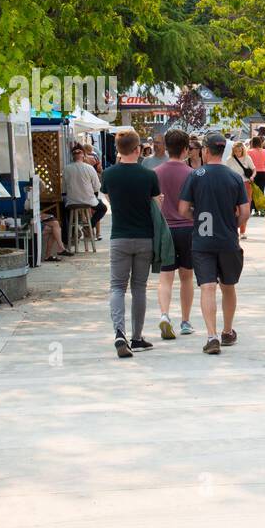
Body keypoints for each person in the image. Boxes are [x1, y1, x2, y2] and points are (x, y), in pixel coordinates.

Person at [178, 132, 250, 355]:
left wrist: (197, 219)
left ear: (206, 151)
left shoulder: (195, 175)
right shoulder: (234, 177)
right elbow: (245, 212)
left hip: (202, 241)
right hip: (228, 240)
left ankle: (212, 336)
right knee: (228, 287)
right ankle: (228, 331)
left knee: (207, 287)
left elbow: (182, 209)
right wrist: (233, 224)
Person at [101, 129, 162, 358]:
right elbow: (156, 206)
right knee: (139, 288)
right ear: (137, 149)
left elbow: (109, 200)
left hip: (119, 237)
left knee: (117, 287)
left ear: (118, 149)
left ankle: (119, 332)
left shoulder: (108, 175)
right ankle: (137, 337)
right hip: (144, 237)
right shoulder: (149, 176)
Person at [155, 129, 196, 340]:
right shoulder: (192, 174)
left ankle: (164, 315)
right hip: (188, 228)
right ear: (185, 149)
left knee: (165, 277)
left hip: (165, 229)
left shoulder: (156, 172)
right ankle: (186, 321)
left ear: (166, 147)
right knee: (187, 276)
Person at [64, 145, 107, 242]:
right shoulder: (89, 168)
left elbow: (64, 189)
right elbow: (97, 187)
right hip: (88, 200)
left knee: (67, 212)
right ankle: (89, 226)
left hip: (72, 202)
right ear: (83, 156)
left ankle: (75, 232)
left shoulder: (66, 169)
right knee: (103, 208)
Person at [224, 141, 257, 239]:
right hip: (233, 185)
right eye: (236, 151)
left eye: (239, 151)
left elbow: (254, 169)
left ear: (243, 150)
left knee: (245, 208)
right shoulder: (229, 160)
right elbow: (226, 173)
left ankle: (243, 231)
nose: (238, 153)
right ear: (233, 151)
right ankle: (235, 230)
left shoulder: (247, 158)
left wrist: (252, 176)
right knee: (235, 208)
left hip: (246, 184)